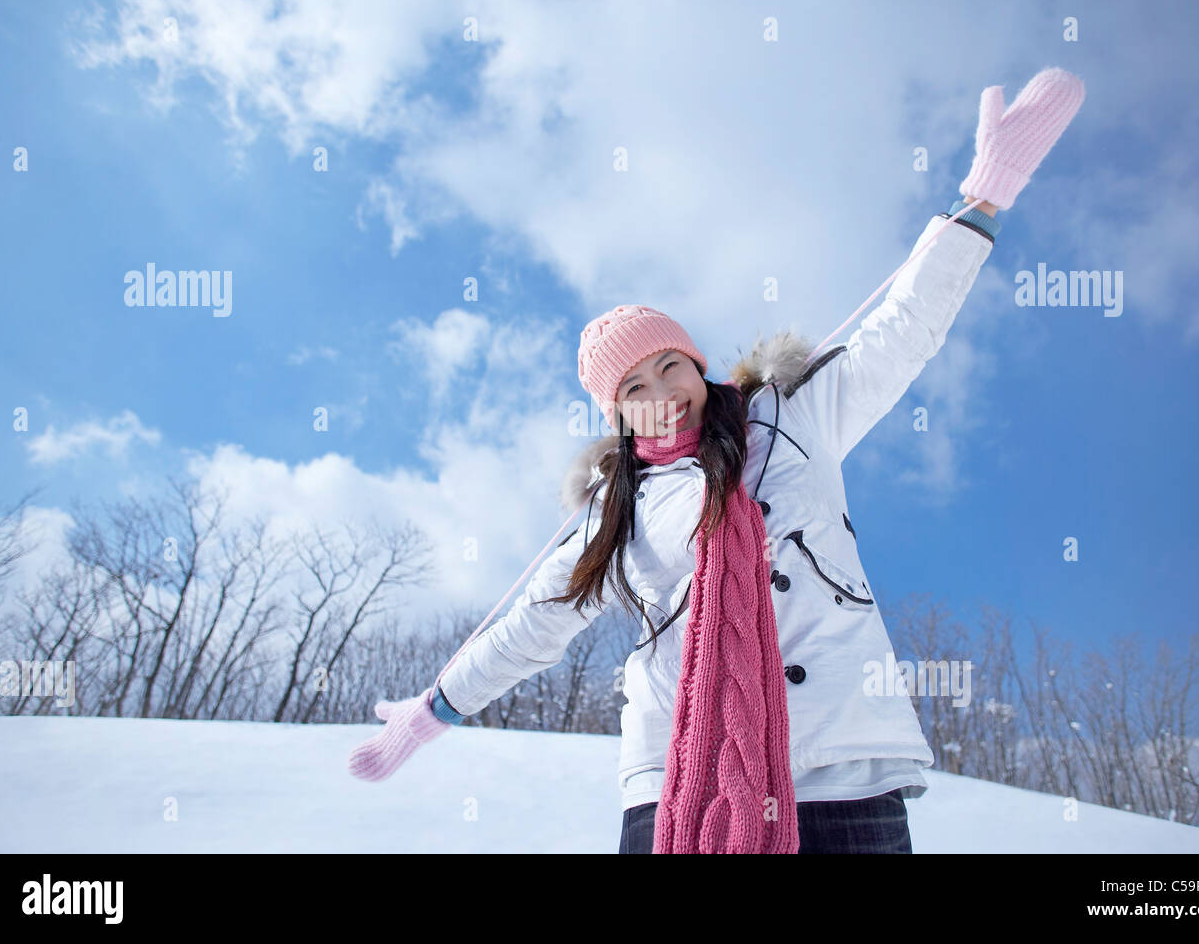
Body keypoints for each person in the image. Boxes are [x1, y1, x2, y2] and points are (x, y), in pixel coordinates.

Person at [347, 66, 1086, 854]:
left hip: (839, 765)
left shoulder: (791, 418)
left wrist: (983, 199)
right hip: (679, 774)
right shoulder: (616, 511)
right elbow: (532, 624)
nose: (661, 388)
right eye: (633, 384)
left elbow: (903, 326)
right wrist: (430, 714)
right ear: (618, 415)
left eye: (669, 364)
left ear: (696, 365)